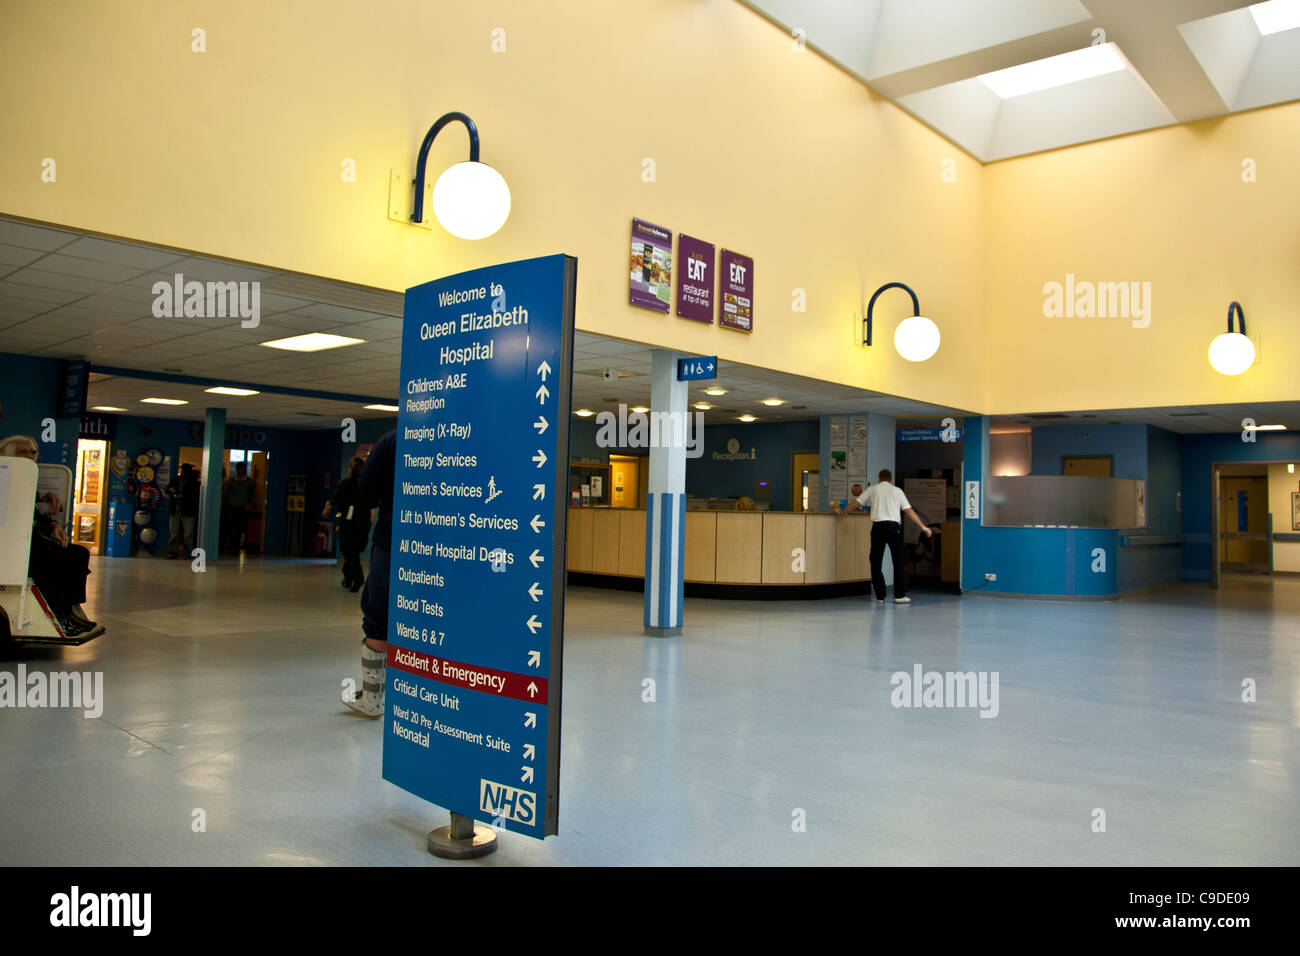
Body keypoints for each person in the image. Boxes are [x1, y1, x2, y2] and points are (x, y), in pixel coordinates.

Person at [0, 435, 104, 638]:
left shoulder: (28, 479)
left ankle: (69, 609)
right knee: (58, 559)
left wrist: (54, 524)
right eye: (26, 452)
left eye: (34, 452)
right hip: (12, 545)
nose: (33, 456)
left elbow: (38, 515)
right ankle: (60, 613)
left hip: (29, 539)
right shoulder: (6, 478)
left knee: (78, 553)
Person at [341, 430, 394, 718]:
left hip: (393, 540)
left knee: (378, 617)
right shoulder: (458, 435)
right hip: (442, 547)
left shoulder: (393, 440)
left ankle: (373, 699)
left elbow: (368, 490)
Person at [833, 468, 932, 604]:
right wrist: (923, 527)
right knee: (898, 562)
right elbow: (909, 511)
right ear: (890, 479)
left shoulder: (873, 489)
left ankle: (880, 596)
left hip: (878, 528)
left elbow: (856, 503)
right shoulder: (897, 491)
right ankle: (899, 595)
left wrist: (843, 512)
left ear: (879, 478)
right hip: (894, 528)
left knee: (875, 561)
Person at [322, 456, 373, 592]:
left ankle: (357, 578)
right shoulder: (367, 486)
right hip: (363, 524)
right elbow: (372, 507)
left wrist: (326, 511)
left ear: (350, 469)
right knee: (353, 553)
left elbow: (331, 501)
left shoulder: (343, 484)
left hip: (348, 524)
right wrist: (369, 522)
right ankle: (348, 578)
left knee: (349, 552)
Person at [165, 464, 200, 559]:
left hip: (188, 510)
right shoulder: (175, 480)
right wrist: (171, 490)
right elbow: (166, 489)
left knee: (188, 533)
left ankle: (187, 552)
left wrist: (184, 496)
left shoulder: (194, 482)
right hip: (175, 509)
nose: (183, 472)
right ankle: (172, 552)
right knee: (174, 532)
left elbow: (195, 495)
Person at [221, 461, 254, 554]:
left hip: (243, 509)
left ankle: (237, 546)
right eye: (241, 469)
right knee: (231, 528)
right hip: (231, 508)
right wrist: (222, 506)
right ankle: (231, 546)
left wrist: (249, 505)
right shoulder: (231, 481)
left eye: (244, 469)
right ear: (237, 470)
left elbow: (252, 495)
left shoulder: (249, 482)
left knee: (240, 528)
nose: (243, 471)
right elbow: (225, 494)